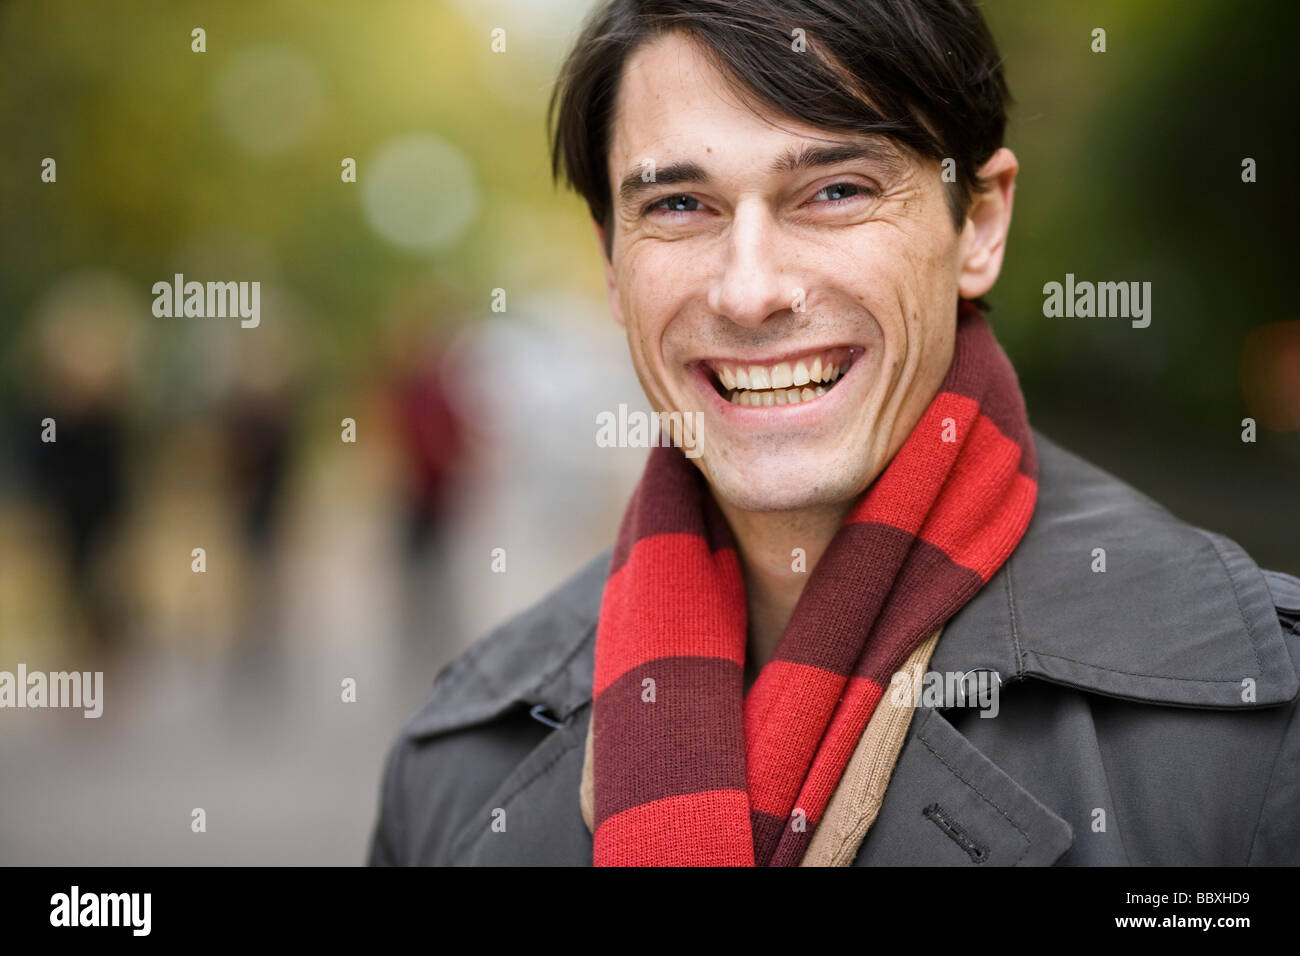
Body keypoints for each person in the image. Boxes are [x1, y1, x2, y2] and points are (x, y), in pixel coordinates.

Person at [368, 0, 1300, 866]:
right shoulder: (456, 764)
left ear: (977, 224)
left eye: (837, 191)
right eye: (679, 206)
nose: (749, 289)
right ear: (612, 263)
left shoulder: (1257, 735)